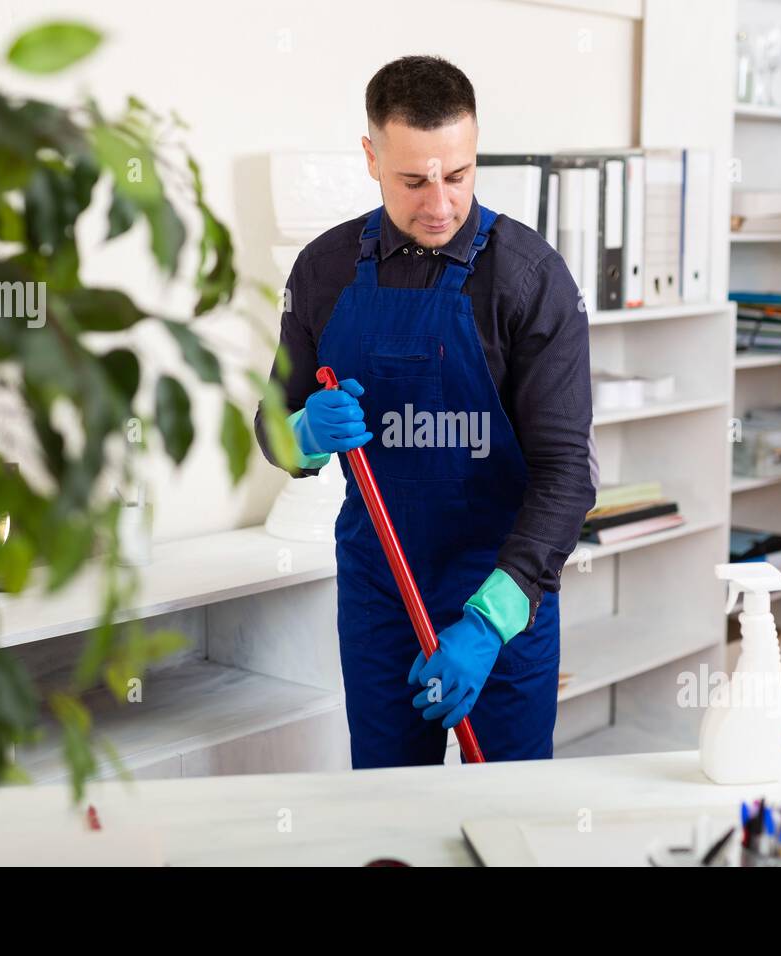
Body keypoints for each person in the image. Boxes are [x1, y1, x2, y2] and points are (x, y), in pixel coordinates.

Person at [254, 55, 595, 769]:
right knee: (387, 804)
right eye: (413, 181)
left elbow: (567, 476)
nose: (440, 202)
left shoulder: (531, 280)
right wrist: (305, 434)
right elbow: (272, 428)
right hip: (380, 587)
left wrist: (487, 623)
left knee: (509, 811)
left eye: (459, 175)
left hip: (502, 589)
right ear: (372, 157)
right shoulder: (323, 270)